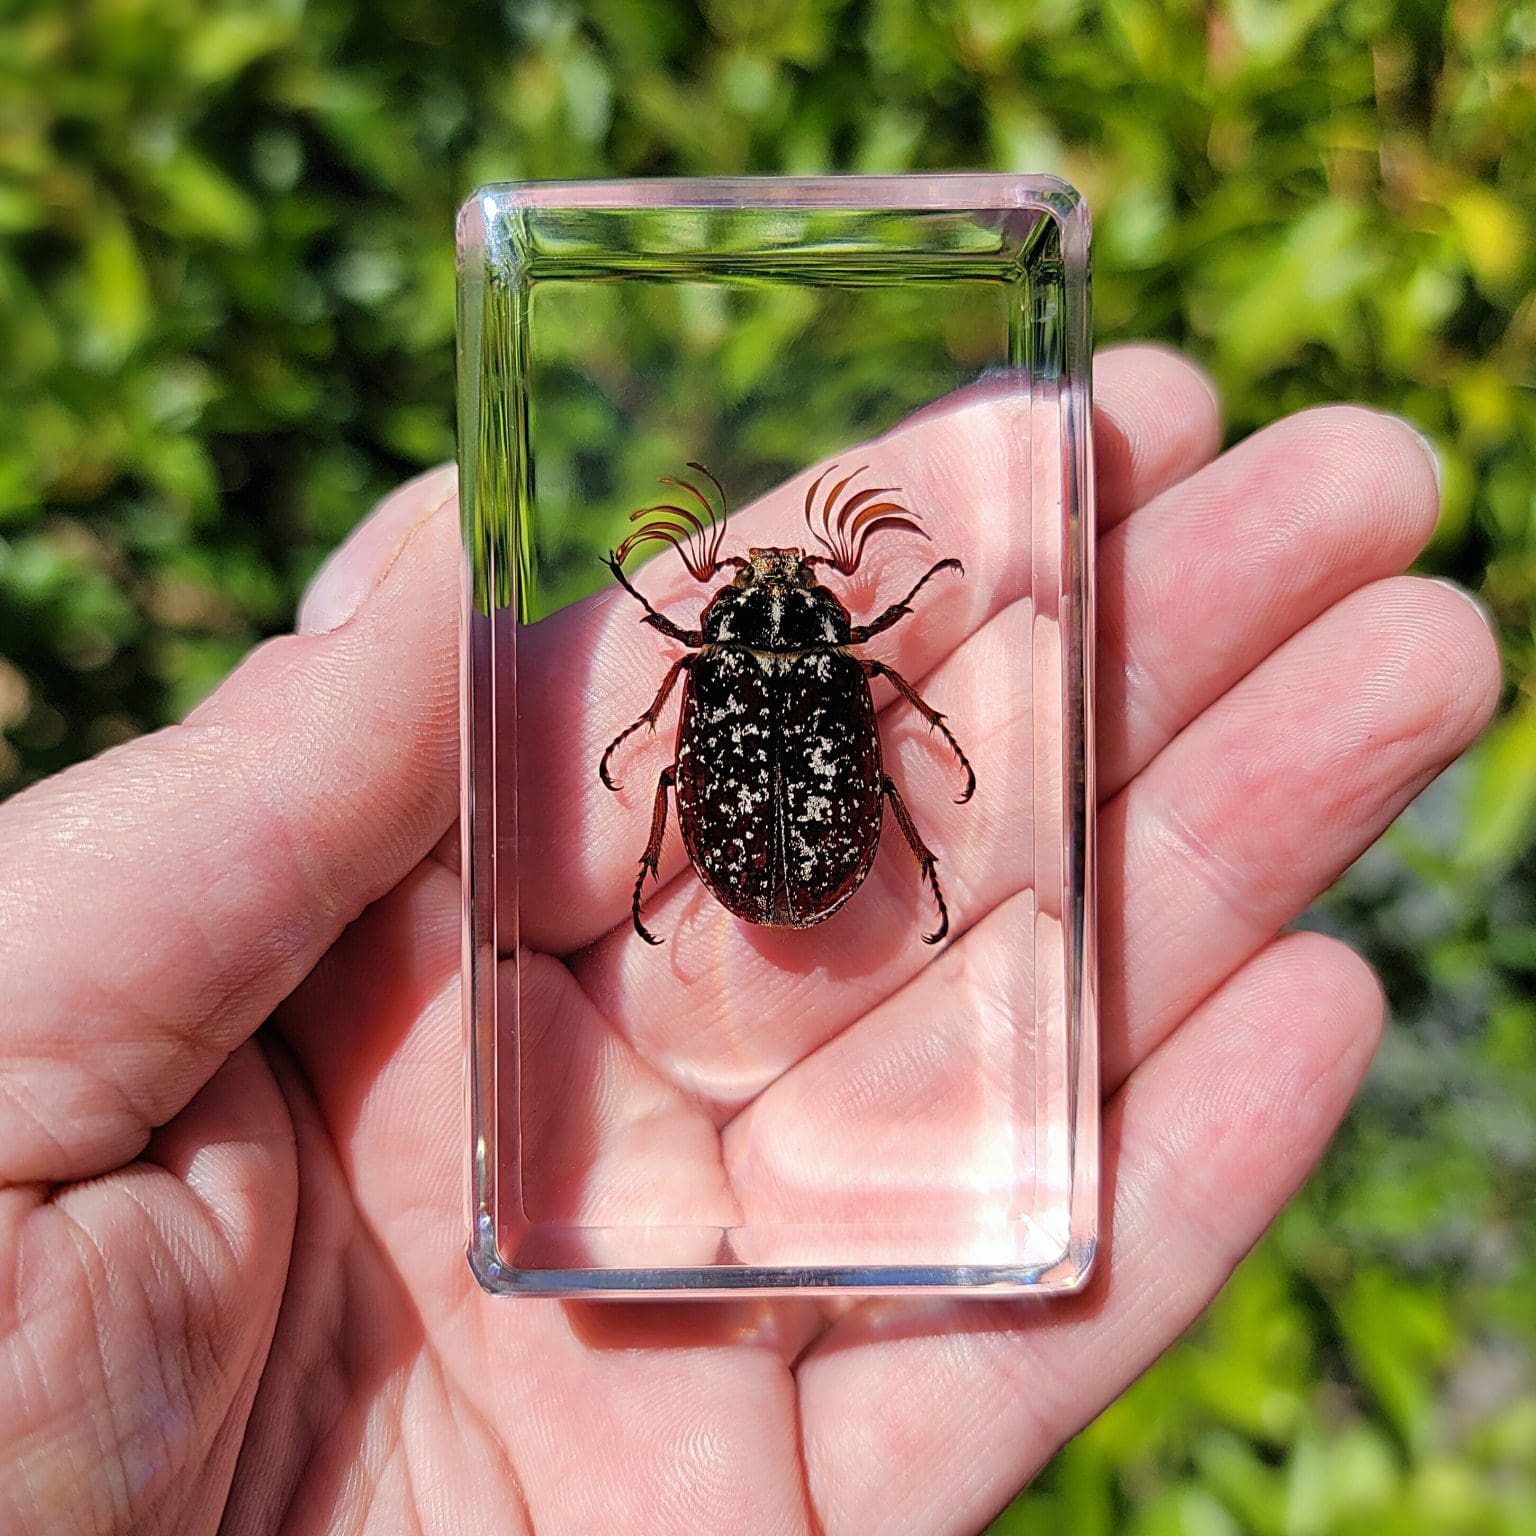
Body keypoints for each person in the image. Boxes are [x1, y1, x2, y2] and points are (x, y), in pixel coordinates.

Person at [0, 345, 1498, 1534]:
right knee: (829, 784)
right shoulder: (827, 663)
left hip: (756, 854)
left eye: (785, 584)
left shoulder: (701, 665)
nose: (779, 587)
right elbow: (814, 710)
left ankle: (735, 865)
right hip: (813, 856)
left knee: (719, 783)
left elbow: (674, 723)